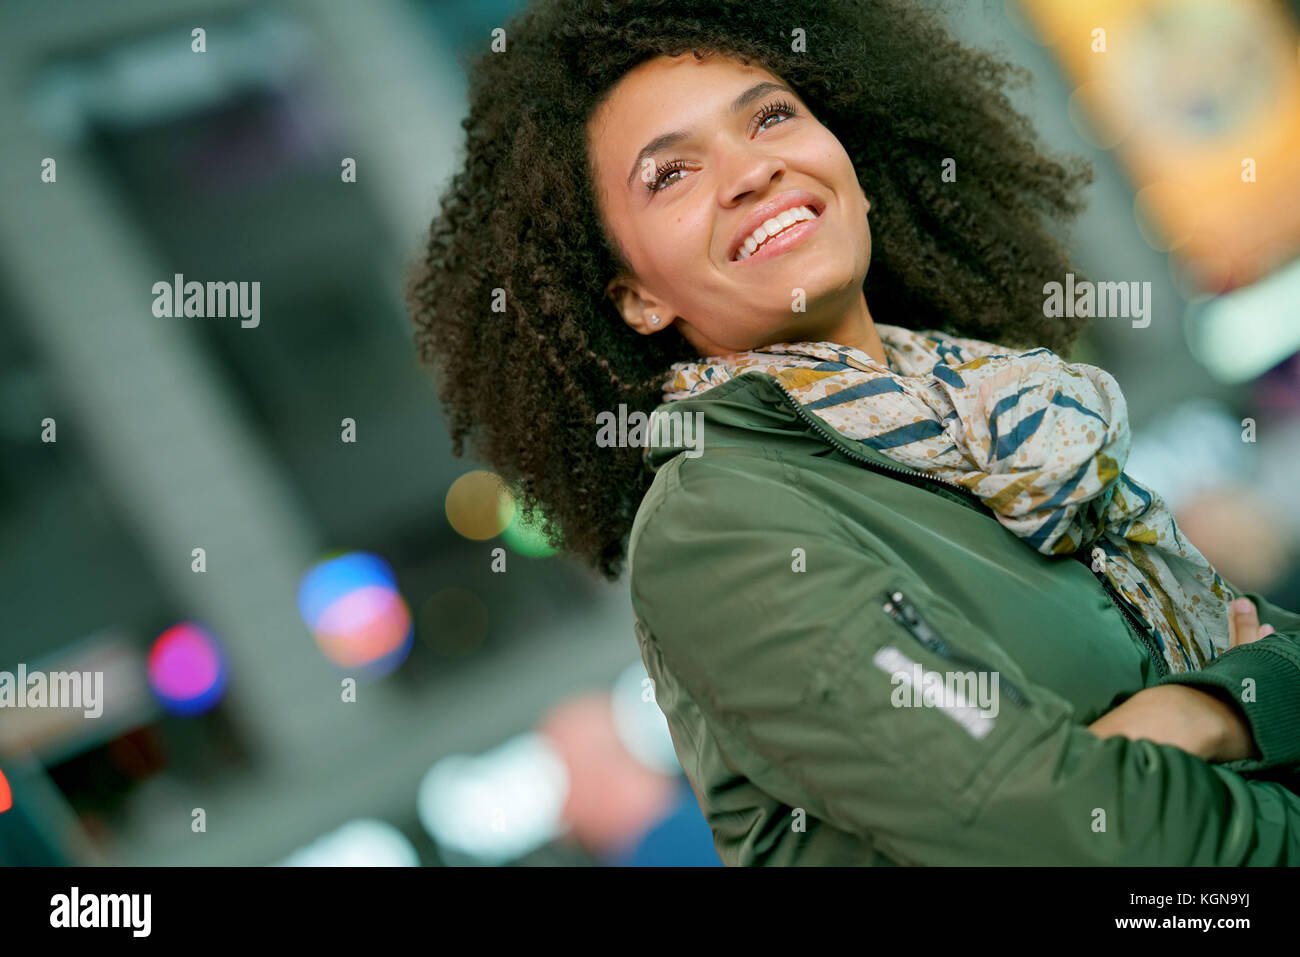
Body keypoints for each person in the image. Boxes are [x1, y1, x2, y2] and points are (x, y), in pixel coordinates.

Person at [406, 0, 1300, 864]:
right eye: (670, 173)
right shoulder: (716, 527)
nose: (752, 170)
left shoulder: (1009, 420)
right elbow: (1065, 829)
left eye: (770, 117)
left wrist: (1207, 708)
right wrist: (1236, 704)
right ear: (637, 299)